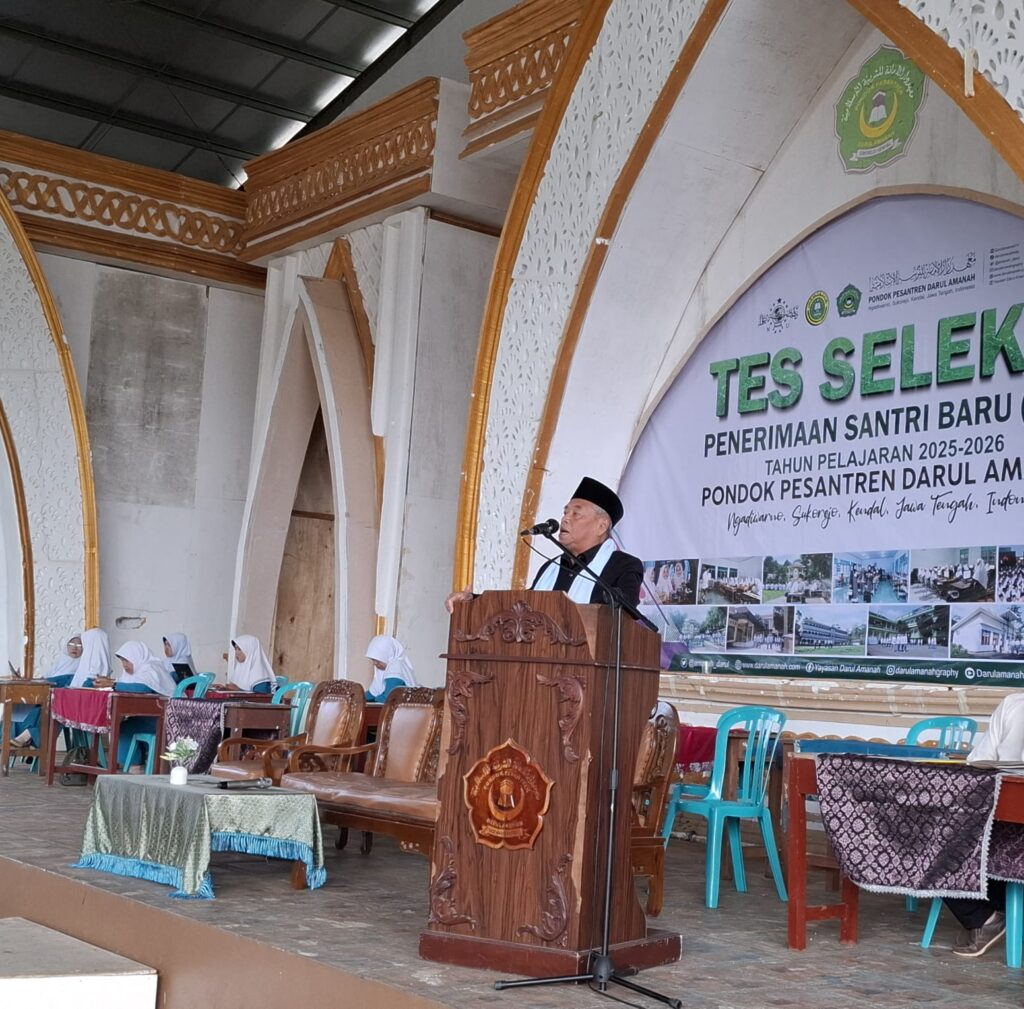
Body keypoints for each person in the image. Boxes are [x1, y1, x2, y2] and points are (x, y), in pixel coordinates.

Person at [445, 477, 643, 612]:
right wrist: (473, 600)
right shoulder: (553, 567)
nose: (565, 519)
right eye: (565, 512)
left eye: (576, 513)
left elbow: (625, 614)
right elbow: (523, 607)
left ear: (601, 526)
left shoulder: (624, 566)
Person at [938, 695, 1024, 956]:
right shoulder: (1013, 703)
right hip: (998, 820)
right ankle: (985, 920)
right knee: (934, 840)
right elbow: (979, 760)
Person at [110, 641, 177, 770]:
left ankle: (134, 766)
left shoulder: (151, 668)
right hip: (152, 716)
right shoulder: (136, 671)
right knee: (124, 724)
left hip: (166, 719)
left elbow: (142, 687)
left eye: (127, 660)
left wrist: (114, 685)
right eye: (122, 661)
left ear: (137, 657)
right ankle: (135, 763)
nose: (124, 665)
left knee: (124, 728)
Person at [9, 631, 83, 747]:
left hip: (60, 701)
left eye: (79, 646)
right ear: (66, 646)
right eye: (72, 644)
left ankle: (29, 738)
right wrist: (23, 679)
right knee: (17, 707)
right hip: (45, 696)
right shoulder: (60, 662)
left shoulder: (82, 665)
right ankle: (12, 739)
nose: (75, 648)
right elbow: (43, 680)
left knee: (41, 711)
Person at [365, 635, 416, 702]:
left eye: (377, 660)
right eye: (373, 660)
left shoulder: (396, 666)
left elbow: (389, 697)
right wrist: (357, 698)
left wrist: (376, 698)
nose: (374, 663)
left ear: (388, 654)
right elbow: (371, 694)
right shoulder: (382, 669)